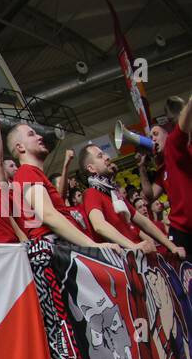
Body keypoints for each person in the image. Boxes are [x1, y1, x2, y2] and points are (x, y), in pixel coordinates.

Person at [5, 124, 113, 249]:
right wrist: (92, 246)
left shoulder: (34, 173)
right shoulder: (26, 172)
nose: (39, 136)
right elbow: (47, 215)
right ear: (20, 147)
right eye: (31, 134)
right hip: (58, 248)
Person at [79, 144, 179, 255]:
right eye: (100, 156)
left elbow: (144, 222)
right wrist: (133, 246)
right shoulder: (91, 193)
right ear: (91, 168)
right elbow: (99, 225)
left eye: (104, 154)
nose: (107, 157)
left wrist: (172, 247)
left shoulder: (114, 192)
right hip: (128, 262)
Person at [148, 101, 192, 252]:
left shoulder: (174, 143)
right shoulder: (162, 169)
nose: (152, 139)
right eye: (150, 136)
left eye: (155, 134)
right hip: (181, 230)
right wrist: (141, 167)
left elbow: (181, 128)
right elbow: (150, 195)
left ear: (168, 132)